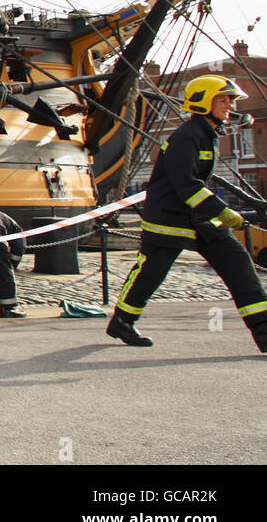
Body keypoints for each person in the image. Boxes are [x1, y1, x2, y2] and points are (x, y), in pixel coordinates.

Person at [108, 74, 267, 351]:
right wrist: (223, 211)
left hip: (200, 219)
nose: (229, 106)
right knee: (151, 273)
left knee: (239, 265)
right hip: (169, 220)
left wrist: (216, 213)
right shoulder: (187, 136)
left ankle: (264, 333)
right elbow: (186, 184)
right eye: (223, 100)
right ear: (204, 101)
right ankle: (122, 321)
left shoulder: (207, 134)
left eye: (230, 101)